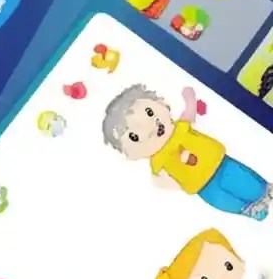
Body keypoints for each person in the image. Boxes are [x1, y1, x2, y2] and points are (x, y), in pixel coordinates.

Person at [102, 84, 272, 221]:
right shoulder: (157, 161)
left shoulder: (179, 128)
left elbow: (188, 114)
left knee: (243, 179)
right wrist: (172, 183)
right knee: (224, 200)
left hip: (219, 163)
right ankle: (248, 209)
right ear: (130, 154)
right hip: (203, 186)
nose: (151, 128)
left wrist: (190, 99)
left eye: (150, 112)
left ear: (159, 103)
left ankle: (264, 191)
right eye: (134, 136)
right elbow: (161, 181)